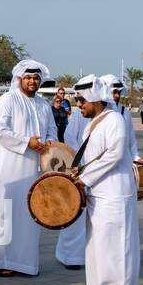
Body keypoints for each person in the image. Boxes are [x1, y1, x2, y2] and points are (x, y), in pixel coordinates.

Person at [73, 75, 140, 285]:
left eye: (81, 100)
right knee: (100, 250)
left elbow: (115, 154)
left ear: (93, 98)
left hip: (114, 194)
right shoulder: (94, 123)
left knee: (117, 250)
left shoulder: (115, 120)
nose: (79, 105)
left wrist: (84, 179)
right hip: (97, 194)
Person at [0, 59, 55, 277]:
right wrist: (27, 143)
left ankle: (22, 262)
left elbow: (52, 130)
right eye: (28, 77)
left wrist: (48, 143)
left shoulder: (43, 105)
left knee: (27, 215)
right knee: (2, 214)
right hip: (7, 169)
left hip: (33, 169)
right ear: (20, 79)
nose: (32, 81)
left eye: (36, 78)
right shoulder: (8, 100)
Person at [54, 98, 87, 270]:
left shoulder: (117, 114)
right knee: (75, 211)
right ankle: (70, 256)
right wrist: (79, 159)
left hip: (101, 173)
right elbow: (68, 136)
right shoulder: (80, 116)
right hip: (81, 168)